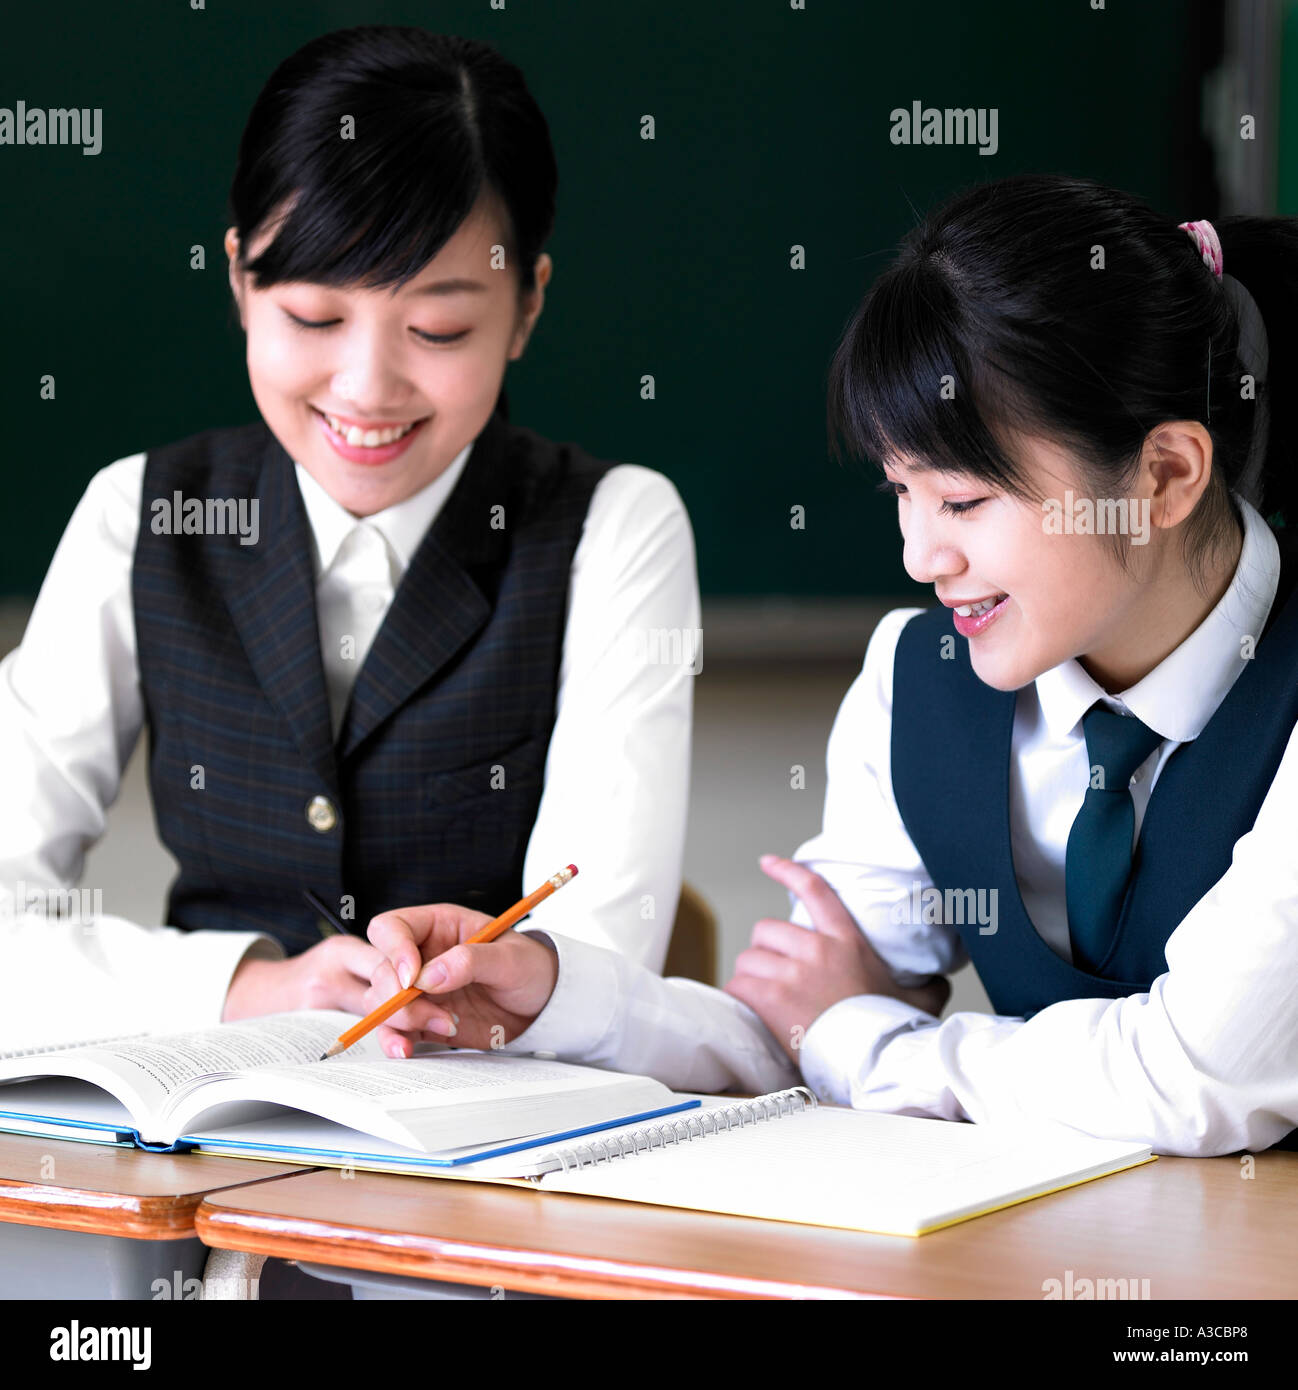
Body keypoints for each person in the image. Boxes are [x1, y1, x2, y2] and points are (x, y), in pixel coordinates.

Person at [365, 174, 1298, 1159]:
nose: (918, 557)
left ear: (1162, 476)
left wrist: (865, 1038)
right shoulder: (918, 676)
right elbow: (783, 1032)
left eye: (965, 502)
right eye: (901, 490)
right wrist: (546, 995)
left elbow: (1201, 1072)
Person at [0, 26, 696, 1047]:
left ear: (524, 307)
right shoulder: (139, 512)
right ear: (239, 281)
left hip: (489, 1149)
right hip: (202, 1126)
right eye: (315, 318)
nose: (366, 388)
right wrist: (249, 989)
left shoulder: (612, 526)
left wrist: (515, 979)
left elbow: (600, 951)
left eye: (439, 329)